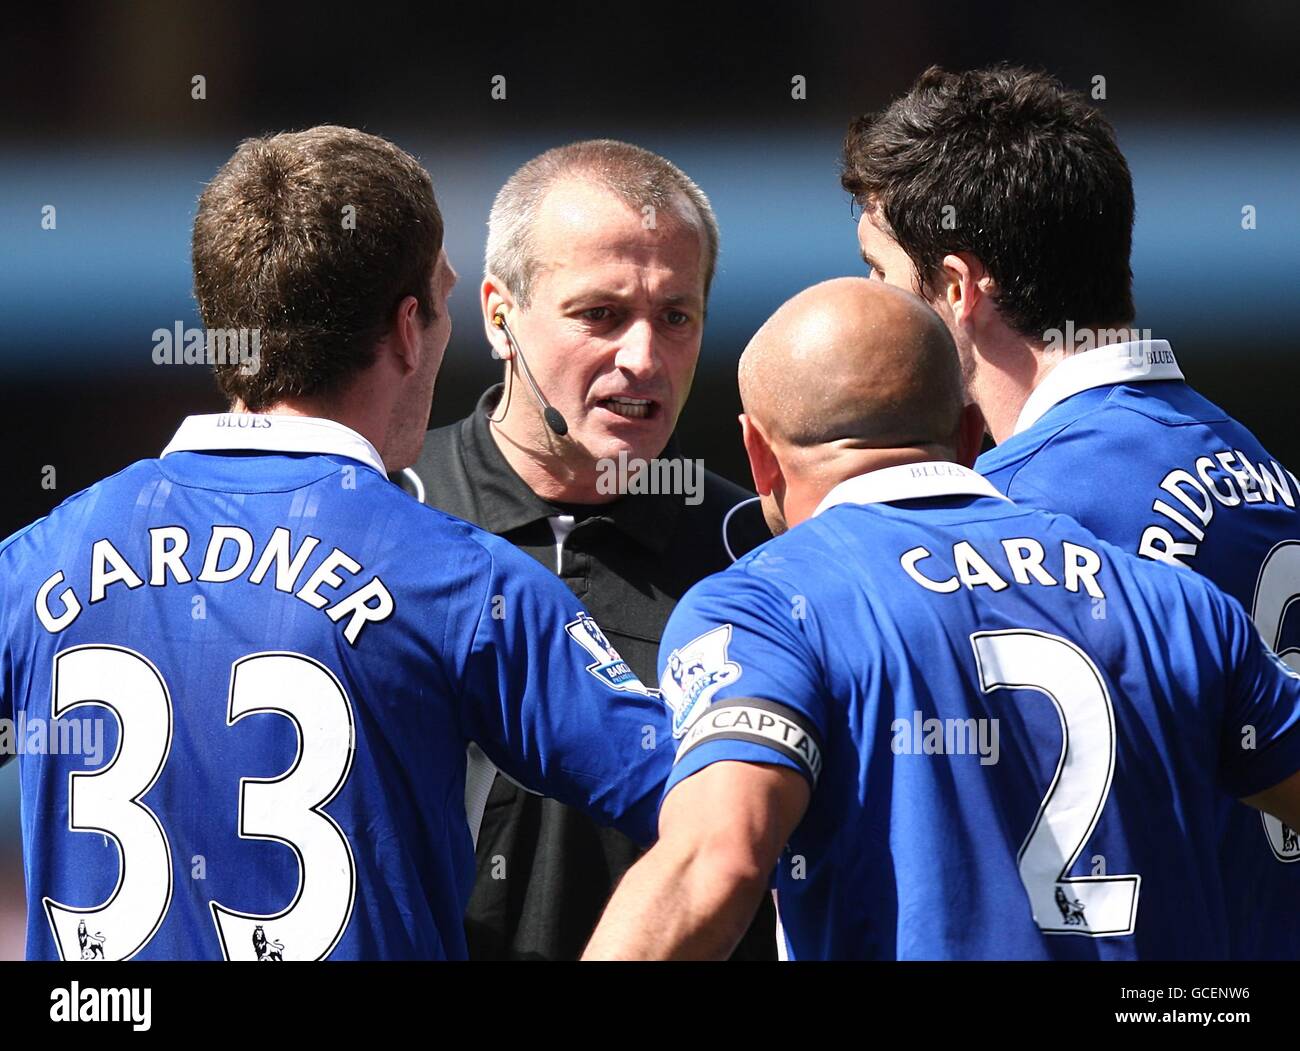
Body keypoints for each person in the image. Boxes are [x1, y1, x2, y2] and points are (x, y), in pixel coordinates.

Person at [0, 125, 672, 961]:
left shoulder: (32, 565)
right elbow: (708, 805)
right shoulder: (464, 582)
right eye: (444, 296)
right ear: (405, 330)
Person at [583, 278, 1300, 960]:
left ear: (758, 455)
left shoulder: (765, 605)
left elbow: (714, 863)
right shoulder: (1174, 600)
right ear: (968, 431)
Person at [840, 65, 1300, 958]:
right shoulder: (1259, 464)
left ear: (958, 287)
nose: (869, 307)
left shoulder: (1015, 514)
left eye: (879, 274)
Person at [398, 139, 773, 960]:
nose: (643, 357)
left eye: (675, 316)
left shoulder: (755, 551)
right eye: (600, 314)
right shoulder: (389, 514)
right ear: (499, 315)